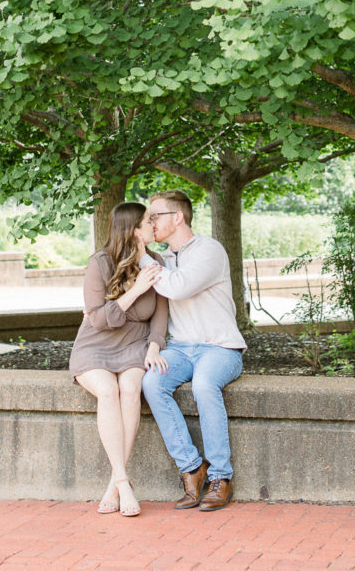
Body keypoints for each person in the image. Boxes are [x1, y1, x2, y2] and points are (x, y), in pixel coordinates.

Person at [141, 189, 246, 512]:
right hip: (181, 348)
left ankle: (220, 477)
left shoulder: (209, 250)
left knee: (203, 384)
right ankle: (191, 467)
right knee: (152, 383)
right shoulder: (164, 259)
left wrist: (140, 252)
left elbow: (179, 286)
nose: (149, 222)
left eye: (154, 216)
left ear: (178, 217)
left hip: (220, 347)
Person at [68, 200, 167, 517]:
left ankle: (114, 484)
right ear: (135, 230)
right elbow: (97, 319)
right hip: (96, 344)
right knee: (108, 392)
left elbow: (161, 314)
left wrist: (155, 345)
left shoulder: (158, 261)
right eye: (149, 222)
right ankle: (124, 483)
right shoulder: (100, 263)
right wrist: (136, 289)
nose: (154, 225)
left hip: (135, 344)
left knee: (129, 390)